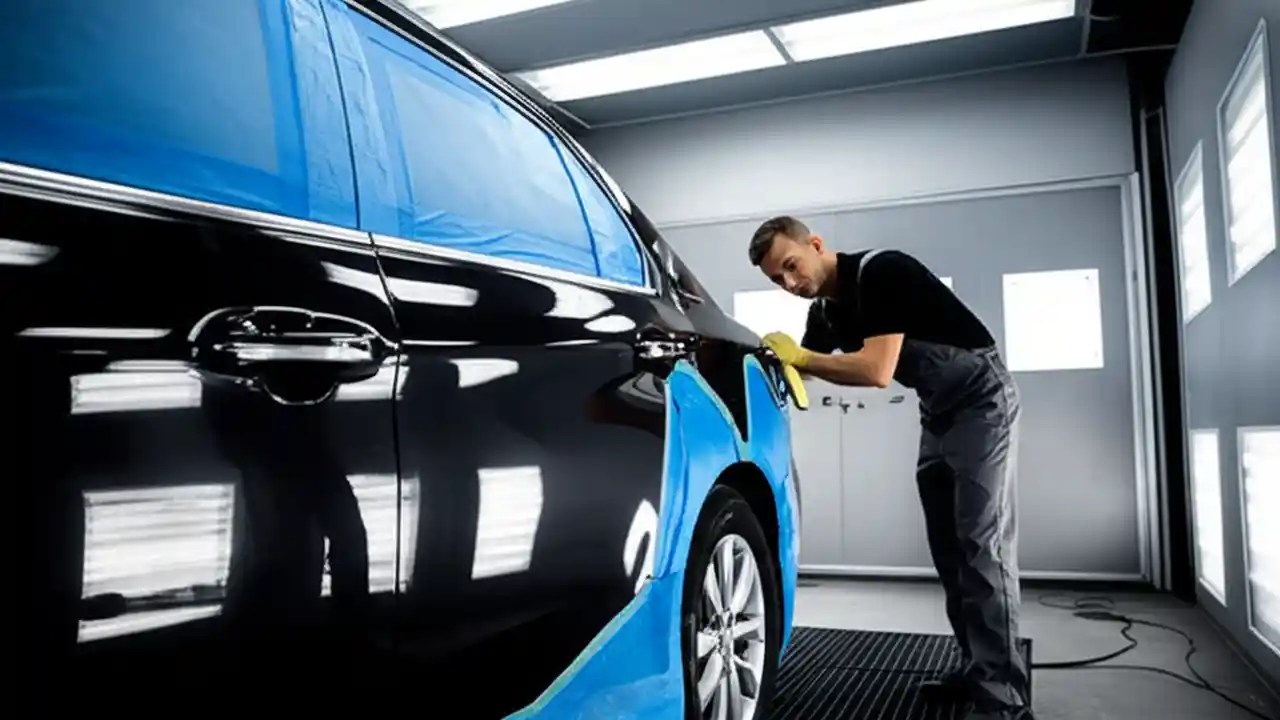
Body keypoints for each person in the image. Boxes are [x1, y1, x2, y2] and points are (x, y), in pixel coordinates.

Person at [748, 215, 1033, 720]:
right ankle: (976, 669)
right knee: (949, 549)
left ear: (816, 244)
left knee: (982, 546)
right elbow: (800, 371)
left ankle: (1004, 697)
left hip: (983, 403)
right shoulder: (826, 312)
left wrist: (802, 359)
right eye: (776, 279)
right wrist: (752, 365)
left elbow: (876, 370)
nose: (789, 283)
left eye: (791, 266)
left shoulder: (882, 272)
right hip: (938, 413)